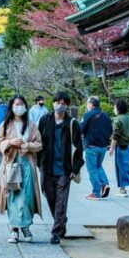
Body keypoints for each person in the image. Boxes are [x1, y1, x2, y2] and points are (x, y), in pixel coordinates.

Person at [0, 94, 43, 244]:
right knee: (13, 196)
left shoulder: (31, 124)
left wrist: (27, 145)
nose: (19, 107)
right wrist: (10, 142)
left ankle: (24, 226)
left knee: (27, 197)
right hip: (11, 165)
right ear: (11, 106)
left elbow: (40, 144)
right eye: (16, 104)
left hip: (27, 164)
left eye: (22, 104)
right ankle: (15, 229)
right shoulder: (5, 124)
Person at [37, 91, 84, 245]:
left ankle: (56, 232)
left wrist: (75, 169)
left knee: (61, 201)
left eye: (64, 103)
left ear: (67, 105)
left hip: (64, 169)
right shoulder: (45, 120)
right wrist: (39, 163)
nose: (60, 105)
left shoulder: (72, 123)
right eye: (58, 102)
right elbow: (38, 143)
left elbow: (78, 147)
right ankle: (61, 220)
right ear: (53, 103)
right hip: (47, 167)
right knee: (50, 198)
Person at [80, 96, 113, 200]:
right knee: (99, 166)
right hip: (103, 146)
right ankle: (105, 184)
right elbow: (110, 130)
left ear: (91, 104)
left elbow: (80, 129)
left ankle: (96, 193)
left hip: (91, 146)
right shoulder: (106, 116)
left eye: (87, 103)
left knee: (92, 169)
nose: (87, 105)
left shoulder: (88, 115)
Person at [109, 99, 129, 196]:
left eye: (115, 107)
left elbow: (115, 135)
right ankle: (122, 189)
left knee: (122, 168)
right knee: (124, 167)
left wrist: (111, 147)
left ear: (118, 108)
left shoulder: (118, 119)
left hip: (121, 146)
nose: (114, 109)